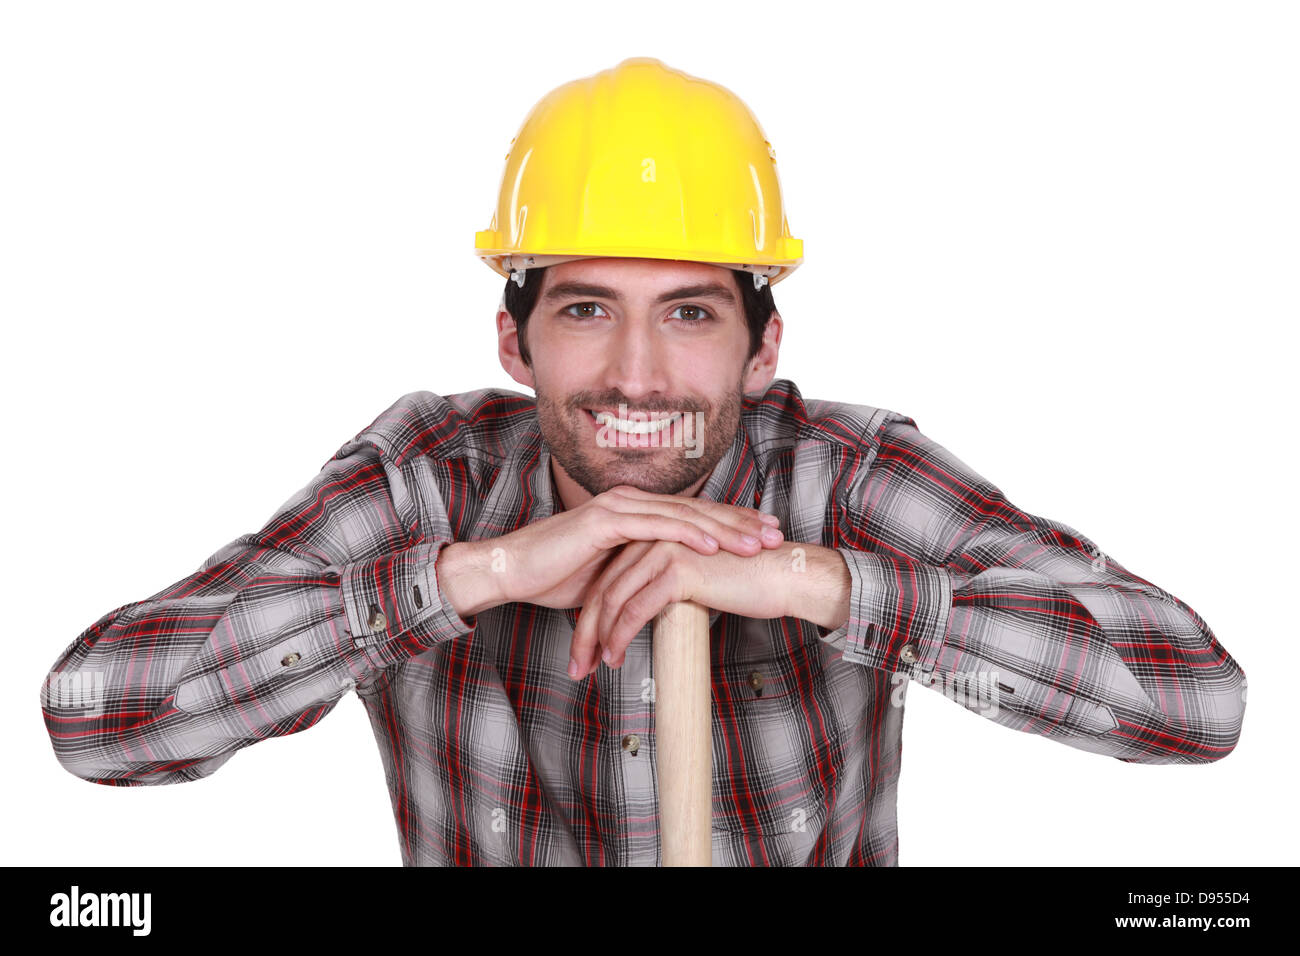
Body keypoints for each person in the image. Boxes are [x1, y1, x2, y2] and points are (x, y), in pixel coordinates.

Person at [40, 57, 1247, 866]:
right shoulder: (431, 476)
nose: (635, 375)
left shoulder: (845, 474)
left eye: (687, 312)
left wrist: (819, 587)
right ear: (510, 337)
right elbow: (97, 721)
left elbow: (1195, 701)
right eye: (580, 311)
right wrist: (474, 573)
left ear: (762, 344)